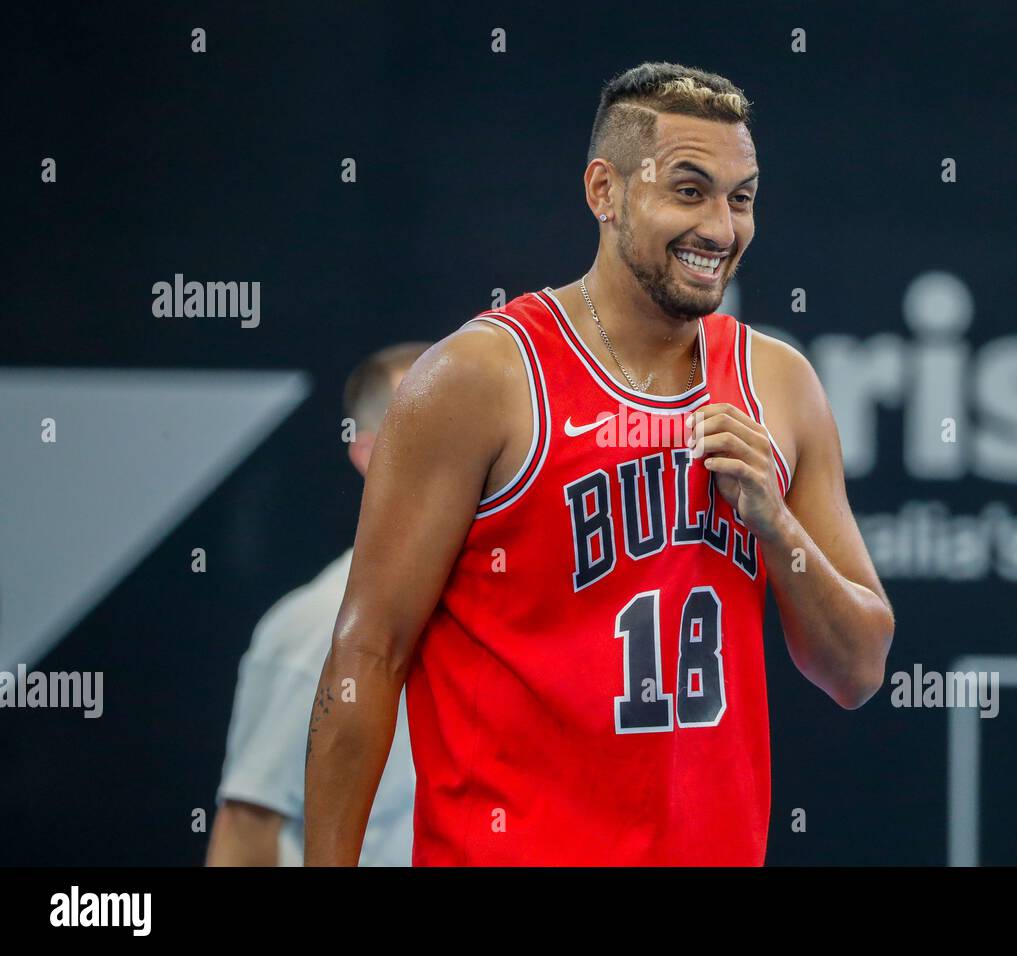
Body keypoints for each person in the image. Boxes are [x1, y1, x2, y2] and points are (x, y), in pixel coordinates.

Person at [305, 62, 895, 866]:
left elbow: (858, 670)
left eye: (741, 198)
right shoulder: (482, 376)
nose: (721, 228)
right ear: (604, 191)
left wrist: (776, 523)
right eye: (689, 191)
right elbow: (368, 652)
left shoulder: (779, 383)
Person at [207, 342, 430, 866]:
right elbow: (245, 834)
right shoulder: (313, 626)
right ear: (370, 455)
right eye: (433, 434)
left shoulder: (520, 611)